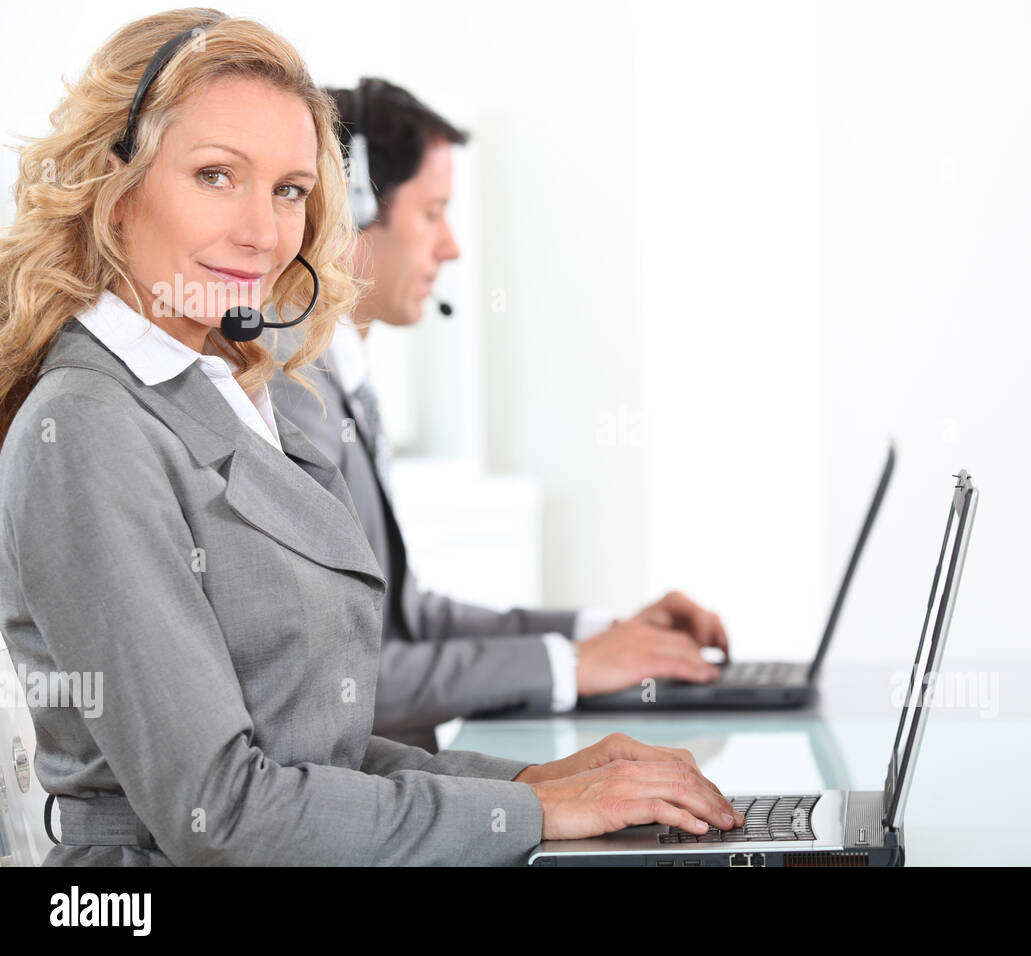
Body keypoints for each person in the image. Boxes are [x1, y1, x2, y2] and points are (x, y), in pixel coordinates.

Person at [0, 7, 740, 866]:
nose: (263, 232)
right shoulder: (89, 425)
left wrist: (538, 784)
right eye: (214, 175)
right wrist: (532, 814)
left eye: (287, 189)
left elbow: (319, 751)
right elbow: (222, 811)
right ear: (112, 185)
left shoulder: (229, 386)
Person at [269, 80, 729, 749]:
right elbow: (340, 674)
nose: (452, 247)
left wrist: (602, 634)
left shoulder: (344, 381)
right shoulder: (292, 389)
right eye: (433, 212)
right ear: (355, 209)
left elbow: (406, 617)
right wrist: (573, 667)